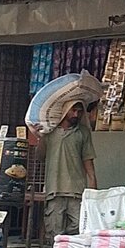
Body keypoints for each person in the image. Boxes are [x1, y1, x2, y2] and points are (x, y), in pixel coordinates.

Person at [30, 99, 97, 238]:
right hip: (54, 190)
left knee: (81, 228)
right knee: (55, 233)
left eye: (79, 111)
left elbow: (88, 161)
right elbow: (40, 157)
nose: (76, 114)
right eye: (73, 110)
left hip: (77, 191)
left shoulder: (82, 133)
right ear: (65, 111)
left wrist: (92, 188)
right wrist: (39, 137)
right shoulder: (50, 132)